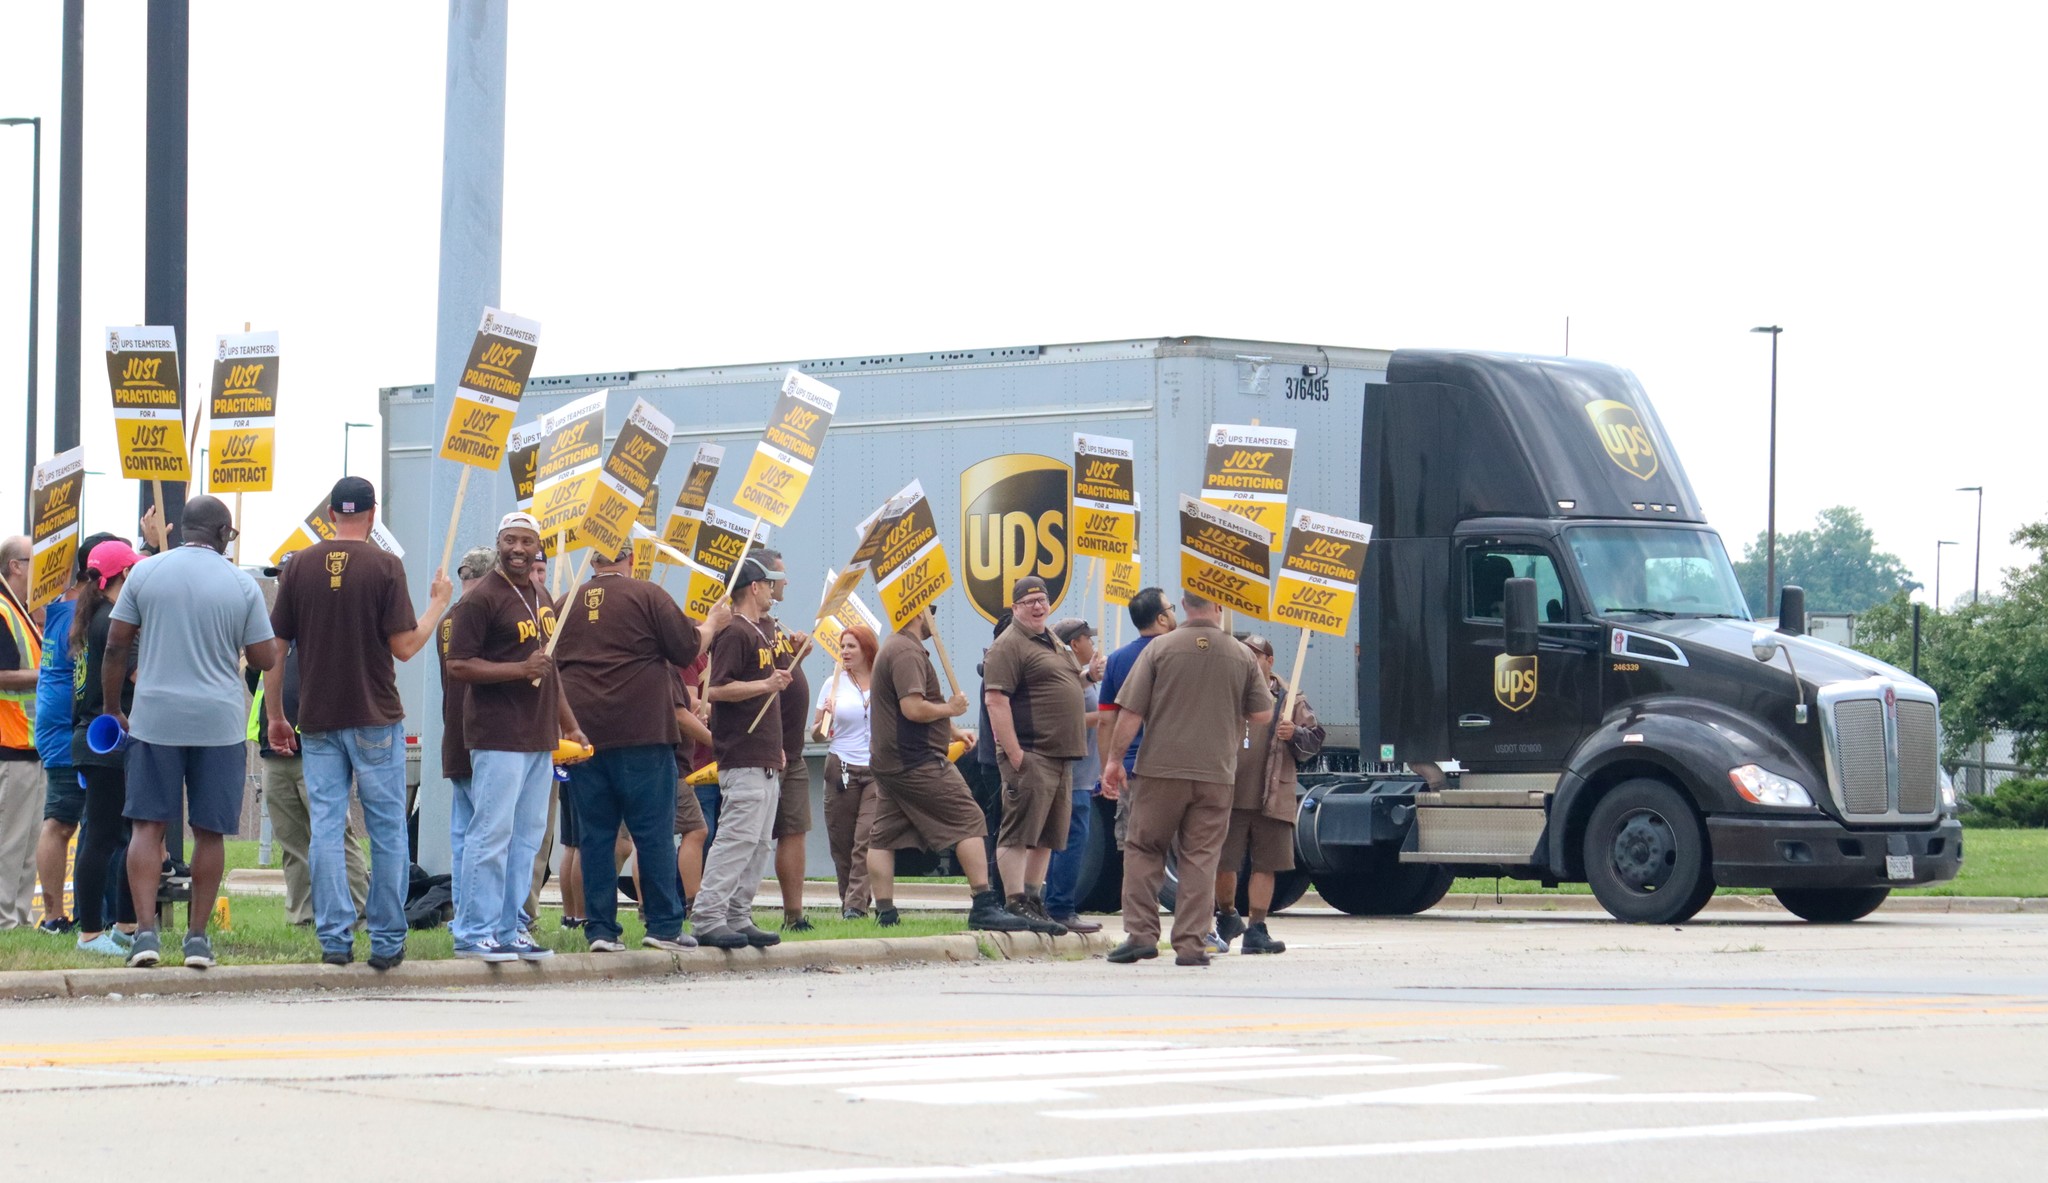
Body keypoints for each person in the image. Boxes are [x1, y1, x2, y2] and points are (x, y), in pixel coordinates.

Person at [268, 478, 450, 971]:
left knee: (325, 828)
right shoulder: (385, 565)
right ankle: (387, 940)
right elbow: (406, 648)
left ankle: (334, 937)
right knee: (388, 830)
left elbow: (275, 649)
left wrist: (276, 716)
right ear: (372, 517)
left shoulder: (298, 566)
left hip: (319, 719)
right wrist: (436, 604)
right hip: (375, 717)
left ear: (330, 513)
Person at [106, 496, 281, 969]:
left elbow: (116, 643)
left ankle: (145, 934)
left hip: (154, 718)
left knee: (147, 826)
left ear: (183, 528)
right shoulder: (241, 584)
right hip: (218, 723)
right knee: (210, 833)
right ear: (224, 532)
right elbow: (265, 658)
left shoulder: (144, 573)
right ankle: (198, 939)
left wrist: (112, 709)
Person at [1101, 591, 1273, 967]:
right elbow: (1262, 714)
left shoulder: (1159, 650)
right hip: (1216, 772)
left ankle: (1141, 936)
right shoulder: (1241, 654)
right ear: (1219, 607)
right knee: (1200, 857)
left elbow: (1130, 711)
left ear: (1182, 606)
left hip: (1160, 770)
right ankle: (1192, 944)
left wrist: (1114, 760)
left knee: (1145, 849)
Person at [445, 512, 587, 962]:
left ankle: (510, 928)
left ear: (538, 547)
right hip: (497, 735)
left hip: (539, 737)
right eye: (510, 540)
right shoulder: (481, 599)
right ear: (499, 543)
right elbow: (459, 664)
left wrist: (569, 723)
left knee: (527, 837)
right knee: (491, 834)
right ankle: (472, 931)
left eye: (527, 541)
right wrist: (517, 670)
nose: (518, 549)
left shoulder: (541, 594)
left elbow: (549, 668)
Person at [553, 542, 707, 953]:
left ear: (594, 560)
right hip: (643, 733)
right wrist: (711, 628)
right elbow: (687, 648)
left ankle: (600, 929)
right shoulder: (648, 594)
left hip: (583, 736)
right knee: (653, 833)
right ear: (631, 559)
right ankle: (663, 925)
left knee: (596, 836)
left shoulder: (564, 602)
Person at [866, 608, 1035, 933]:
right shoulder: (905, 651)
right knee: (969, 819)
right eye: (933, 612)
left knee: (884, 834)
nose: (935, 619)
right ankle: (984, 904)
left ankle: (885, 913)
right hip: (916, 761)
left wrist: (952, 729)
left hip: (891, 761)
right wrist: (951, 708)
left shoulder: (896, 646)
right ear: (919, 613)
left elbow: (910, 709)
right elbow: (912, 708)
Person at [248, 562, 369, 928]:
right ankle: (303, 917)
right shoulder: (269, 634)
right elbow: (256, 679)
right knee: (293, 842)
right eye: (280, 577)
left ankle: (360, 914)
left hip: (317, 748)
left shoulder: (324, 627)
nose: (283, 582)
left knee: (335, 835)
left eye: (289, 575)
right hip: (273, 751)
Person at [694, 557, 790, 950]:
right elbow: (714, 690)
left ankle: (737, 913)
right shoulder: (734, 631)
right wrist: (765, 685)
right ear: (754, 587)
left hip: (765, 755)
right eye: (769, 583)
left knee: (759, 842)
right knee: (736, 838)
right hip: (743, 754)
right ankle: (708, 916)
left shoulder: (760, 630)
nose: (773, 590)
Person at [981, 575, 1087, 930]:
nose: (1039, 606)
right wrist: (1015, 755)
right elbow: (996, 700)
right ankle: (1014, 901)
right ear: (1015, 608)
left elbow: (1060, 683)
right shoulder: (1009, 645)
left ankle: (1033, 899)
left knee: (1047, 835)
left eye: (1043, 599)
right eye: (1030, 602)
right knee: (1019, 833)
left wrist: (1088, 677)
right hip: (1031, 752)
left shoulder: (1051, 639)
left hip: (1060, 756)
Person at [30, 530, 118, 934]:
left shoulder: (66, 605)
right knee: (63, 820)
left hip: (63, 721)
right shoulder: (77, 612)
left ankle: (83, 910)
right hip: (66, 725)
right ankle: (55, 916)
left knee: (84, 819)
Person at [1214, 634, 1324, 955]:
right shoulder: (1225, 691)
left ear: (1269, 661)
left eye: (1256, 655)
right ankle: (1227, 916)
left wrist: (1296, 734)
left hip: (1272, 794)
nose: (1249, 659)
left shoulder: (1290, 698)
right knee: (1223, 861)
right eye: (1244, 654)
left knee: (1266, 863)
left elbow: (1315, 740)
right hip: (1229, 793)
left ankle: (1257, 929)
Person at [68, 539, 143, 955]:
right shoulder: (113, 620)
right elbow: (138, 675)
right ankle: (92, 934)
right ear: (124, 575)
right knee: (103, 836)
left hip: (91, 736)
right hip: (109, 738)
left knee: (119, 834)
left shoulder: (91, 615)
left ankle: (125, 926)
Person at [754, 547, 816, 932]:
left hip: (791, 750)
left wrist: (798, 657)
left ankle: (794, 915)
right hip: (763, 751)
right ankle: (732, 910)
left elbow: (781, 678)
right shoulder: (745, 627)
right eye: (779, 576)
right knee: (753, 836)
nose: (786, 582)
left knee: (793, 829)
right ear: (759, 582)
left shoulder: (774, 625)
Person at [439, 546, 497, 925]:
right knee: (488, 833)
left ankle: (463, 911)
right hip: (485, 735)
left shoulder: (448, 619)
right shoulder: (484, 615)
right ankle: (480, 915)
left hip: (454, 736)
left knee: (463, 834)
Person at [1041, 617, 1106, 933]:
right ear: (1075, 643)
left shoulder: (1079, 677)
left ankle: (1053, 903)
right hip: (1074, 774)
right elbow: (1066, 720)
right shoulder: (1066, 675)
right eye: (1088, 639)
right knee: (1071, 840)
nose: (1092, 645)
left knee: (1066, 840)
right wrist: (1104, 718)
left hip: (1084, 774)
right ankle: (1060, 906)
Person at [1097, 587, 1173, 850]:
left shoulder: (1117, 660)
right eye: (1171, 609)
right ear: (1162, 618)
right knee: (1184, 850)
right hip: (1178, 768)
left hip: (1131, 770)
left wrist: (1108, 767)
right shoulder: (1180, 654)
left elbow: (1106, 721)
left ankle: (1135, 894)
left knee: (1136, 850)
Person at [815, 624, 878, 918]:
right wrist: (823, 722)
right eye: (842, 646)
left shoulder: (883, 680)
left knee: (865, 839)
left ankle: (854, 905)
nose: (844, 652)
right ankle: (851, 902)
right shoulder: (833, 683)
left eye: (851, 646)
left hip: (876, 770)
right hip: (840, 766)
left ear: (867, 648)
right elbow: (816, 733)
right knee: (842, 843)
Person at [0, 534, 42, 929]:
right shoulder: (2, 610)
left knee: (28, 845)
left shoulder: (23, 612)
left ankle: (20, 918)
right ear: (16, 566)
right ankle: (4, 920)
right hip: (9, 744)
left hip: (31, 744)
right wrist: (46, 675)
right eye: (37, 560)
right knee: (9, 844)